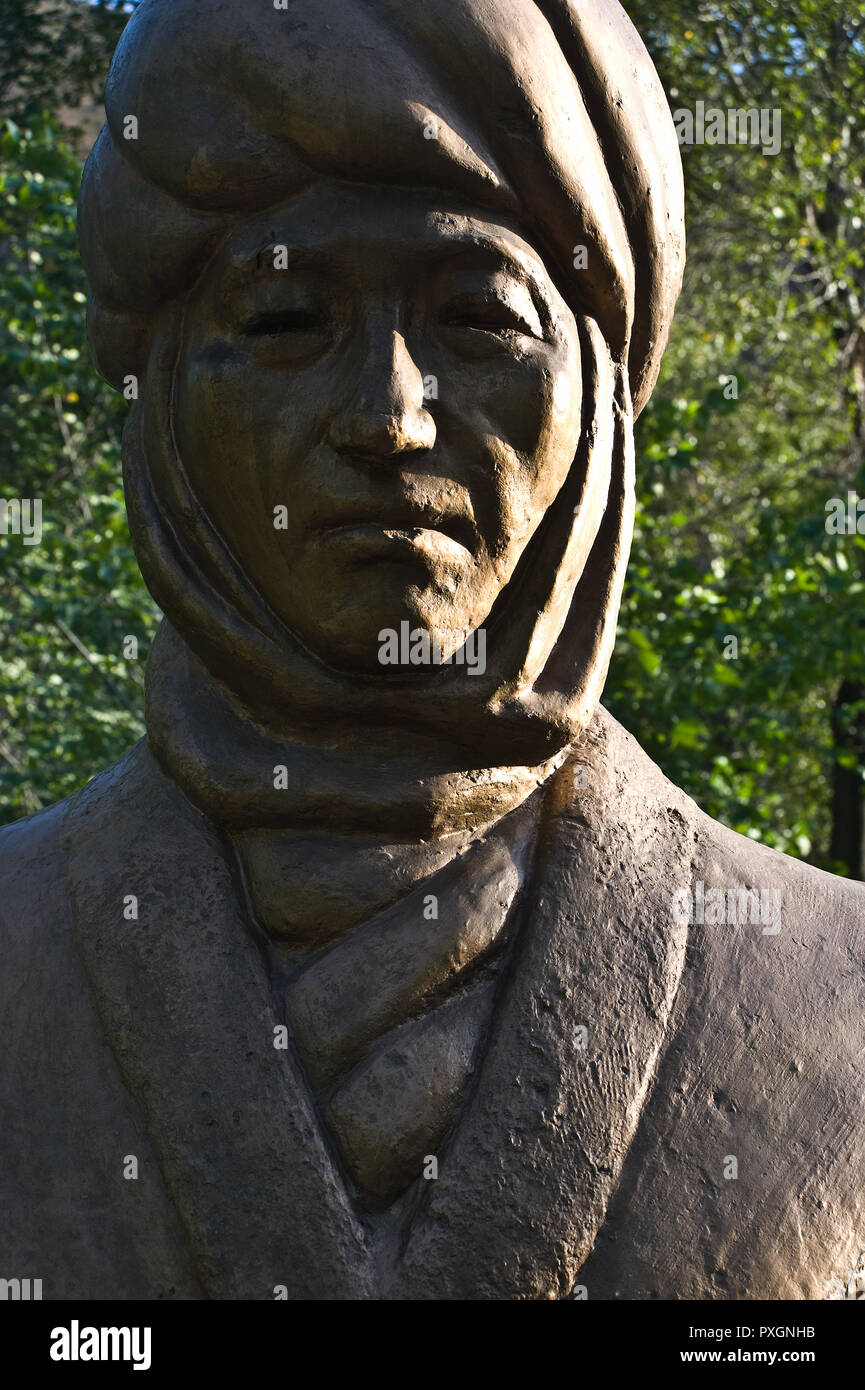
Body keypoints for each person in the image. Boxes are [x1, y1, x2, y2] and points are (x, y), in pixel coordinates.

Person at [1, 0, 862, 1301]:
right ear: (162, 394)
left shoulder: (834, 991)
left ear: (599, 389)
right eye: (288, 319)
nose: (388, 419)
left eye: (480, 319)